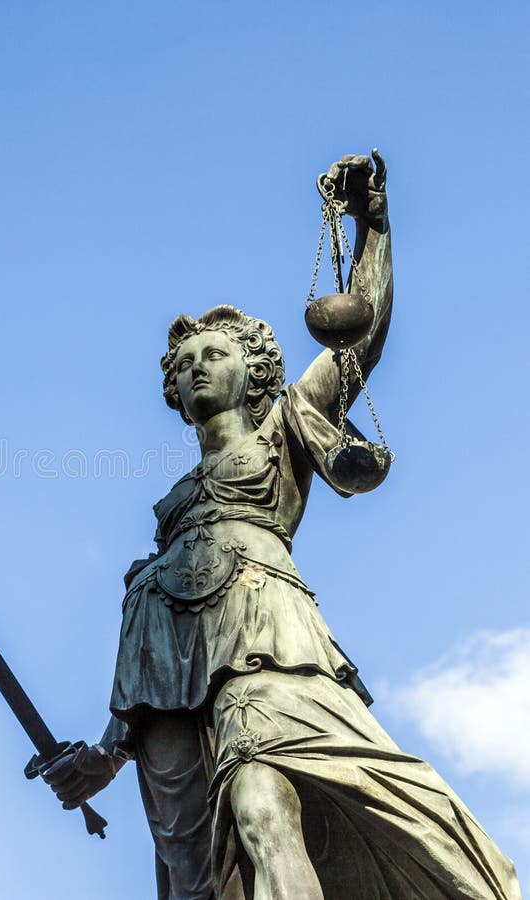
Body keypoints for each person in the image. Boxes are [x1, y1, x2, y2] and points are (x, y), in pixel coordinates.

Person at [39, 151, 521, 899]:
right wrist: (102, 756)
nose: (197, 366)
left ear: (256, 370)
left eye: (214, 352)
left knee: (265, 806)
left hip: (268, 650)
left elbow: (362, 336)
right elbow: (143, 680)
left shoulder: (288, 426)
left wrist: (373, 226)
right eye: (185, 360)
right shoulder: (172, 507)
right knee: (194, 877)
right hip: (164, 671)